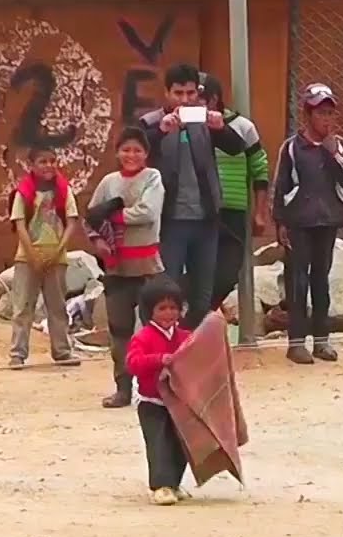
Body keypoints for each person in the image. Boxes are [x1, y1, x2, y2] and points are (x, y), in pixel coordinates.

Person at [139, 63, 246, 330]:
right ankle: (160, 350)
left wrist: (221, 128)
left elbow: (236, 148)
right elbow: (134, 149)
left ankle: (191, 350)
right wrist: (161, 131)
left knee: (202, 295)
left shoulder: (205, 121)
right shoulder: (152, 122)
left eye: (190, 93)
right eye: (178, 93)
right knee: (166, 290)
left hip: (206, 219)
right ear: (166, 93)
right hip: (170, 220)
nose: (184, 100)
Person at [272, 82, 343, 365]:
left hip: (327, 220)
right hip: (299, 221)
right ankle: (296, 342)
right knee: (298, 281)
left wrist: (333, 154)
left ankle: (322, 340)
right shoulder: (293, 148)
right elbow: (281, 186)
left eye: (331, 113)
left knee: (321, 280)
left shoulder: (339, 146)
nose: (326, 119)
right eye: (320, 113)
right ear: (308, 115)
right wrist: (280, 221)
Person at [87, 126, 167, 409]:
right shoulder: (109, 182)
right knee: (119, 331)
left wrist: (114, 215)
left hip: (147, 266)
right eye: (126, 149)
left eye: (137, 150)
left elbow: (148, 212)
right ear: (118, 152)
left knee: (154, 329)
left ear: (146, 153)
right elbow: (92, 216)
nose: (131, 155)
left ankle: (156, 387)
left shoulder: (152, 178)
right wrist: (98, 240)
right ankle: (122, 387)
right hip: (117, 268)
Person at [197, 73, 270, 314]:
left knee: (228, 272)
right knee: (198, 269)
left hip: (233, 210)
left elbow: (259, 168)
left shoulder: (242, 127)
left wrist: (260, 212)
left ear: (214, 99)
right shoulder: (185, 126)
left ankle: (200, 315)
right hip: (197, 210)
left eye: (200, 100)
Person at [7, 147, 81, 369]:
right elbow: (19, 224)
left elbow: (71, 222)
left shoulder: (64, 191)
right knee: (23, 306)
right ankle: (17, 354)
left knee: (57, 307)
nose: (48, 165)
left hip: (56, 259)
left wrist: (59, 251)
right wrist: (32, 255)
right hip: (27, 258)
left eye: (52, 161)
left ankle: (62, 351)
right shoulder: (23, 192)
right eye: (42, 161)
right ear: (31, 166)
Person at [125, 275, 194, 505]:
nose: (168, 313)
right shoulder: (142, 337)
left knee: (180, 443)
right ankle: (160, 486)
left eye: (173, 307)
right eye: (162, 308)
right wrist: (159, 359)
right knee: (158, 443)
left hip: (178, 401)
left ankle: (174, 483)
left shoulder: (185, 337)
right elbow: (133, 363)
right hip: (151, 401)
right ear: (149, 311)